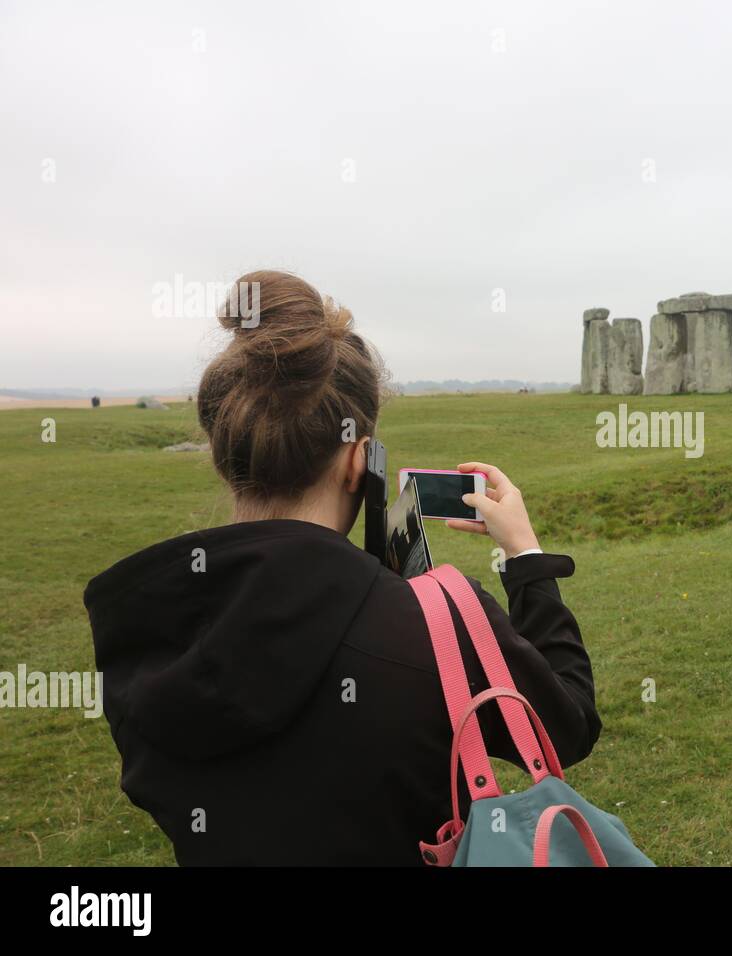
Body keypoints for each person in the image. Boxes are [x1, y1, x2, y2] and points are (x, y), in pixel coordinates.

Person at [84, 271, 601, 865]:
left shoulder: (143, 627)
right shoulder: (438, 624)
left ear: (227, 457)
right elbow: (569, 723)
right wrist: (526, 558)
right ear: (362, 462)